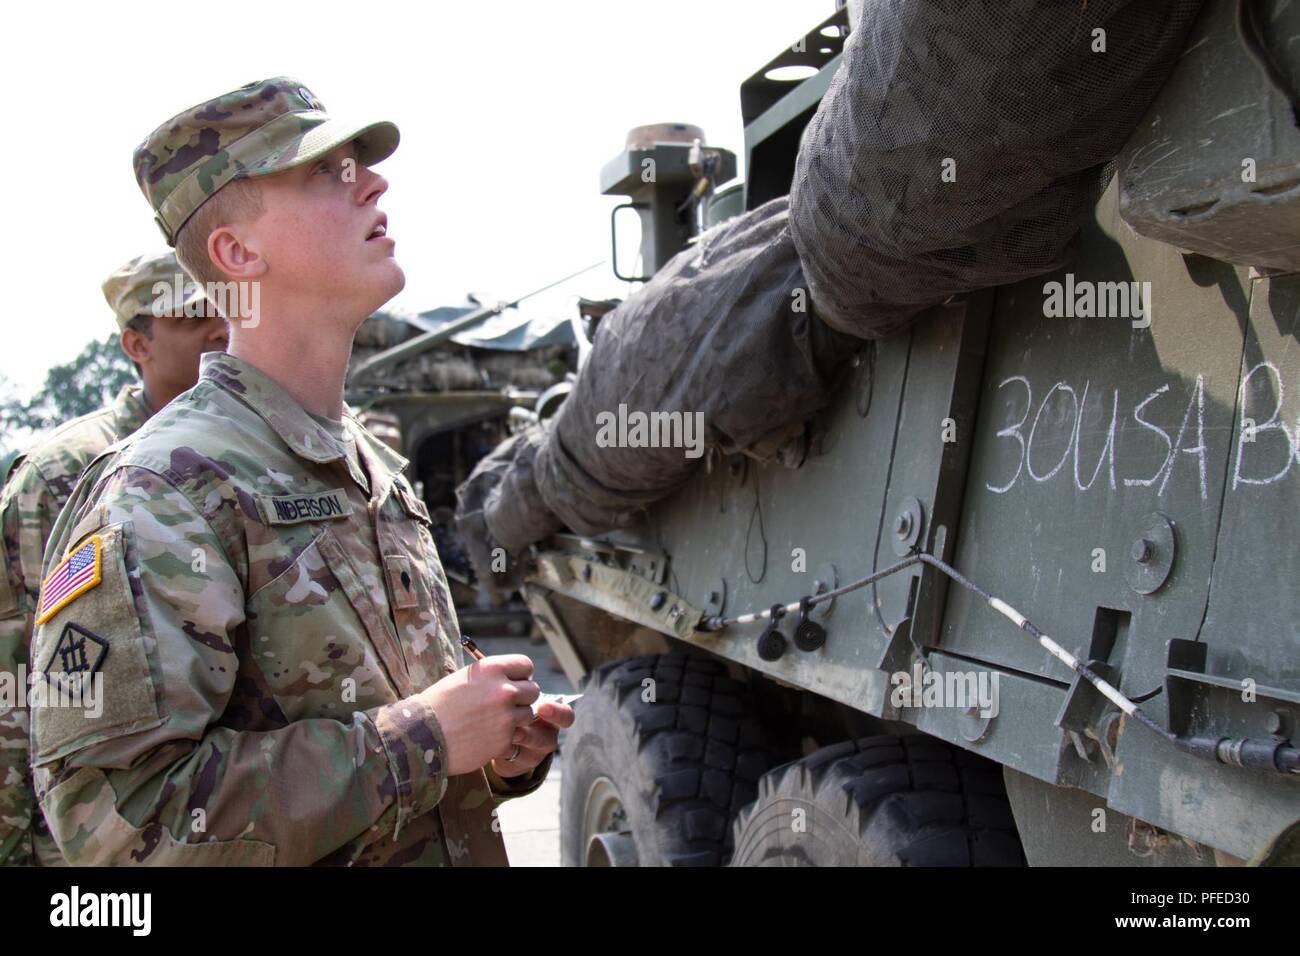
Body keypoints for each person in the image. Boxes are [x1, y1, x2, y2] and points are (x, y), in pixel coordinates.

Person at [29, 77, 571, 866]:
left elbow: (410, 756)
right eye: (327, 171)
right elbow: (116, 830)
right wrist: (420, 742)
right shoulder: (161, 490)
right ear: (237, 252)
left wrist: (491, 752)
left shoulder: (374, 469)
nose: (373, 181)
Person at [0, 252, 226, 865]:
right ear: (136, 343)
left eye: (228, 305)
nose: (220, 326)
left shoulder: (252, 457)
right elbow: (21, 673)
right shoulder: (63, 475)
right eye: (192, 316)